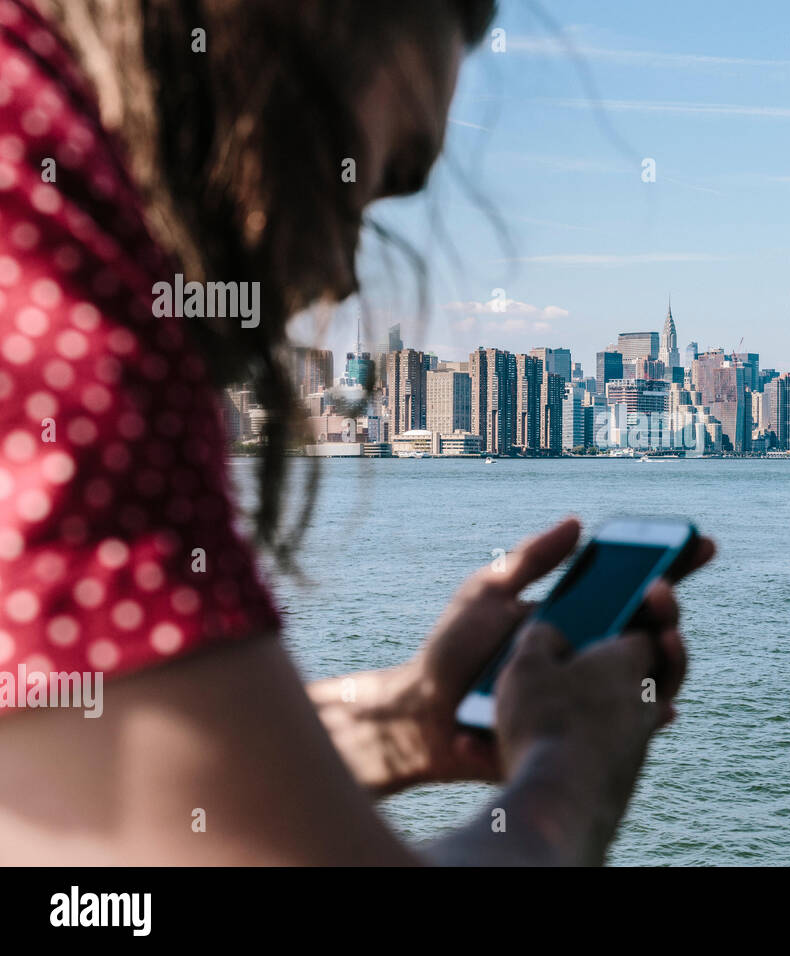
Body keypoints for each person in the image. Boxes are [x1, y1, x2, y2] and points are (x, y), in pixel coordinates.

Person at [0, 0, 714, 864]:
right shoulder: (44, 250)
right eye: (369, 185)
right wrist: (570, 766)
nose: (340, 272)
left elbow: (87, 786)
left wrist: (407, 720)